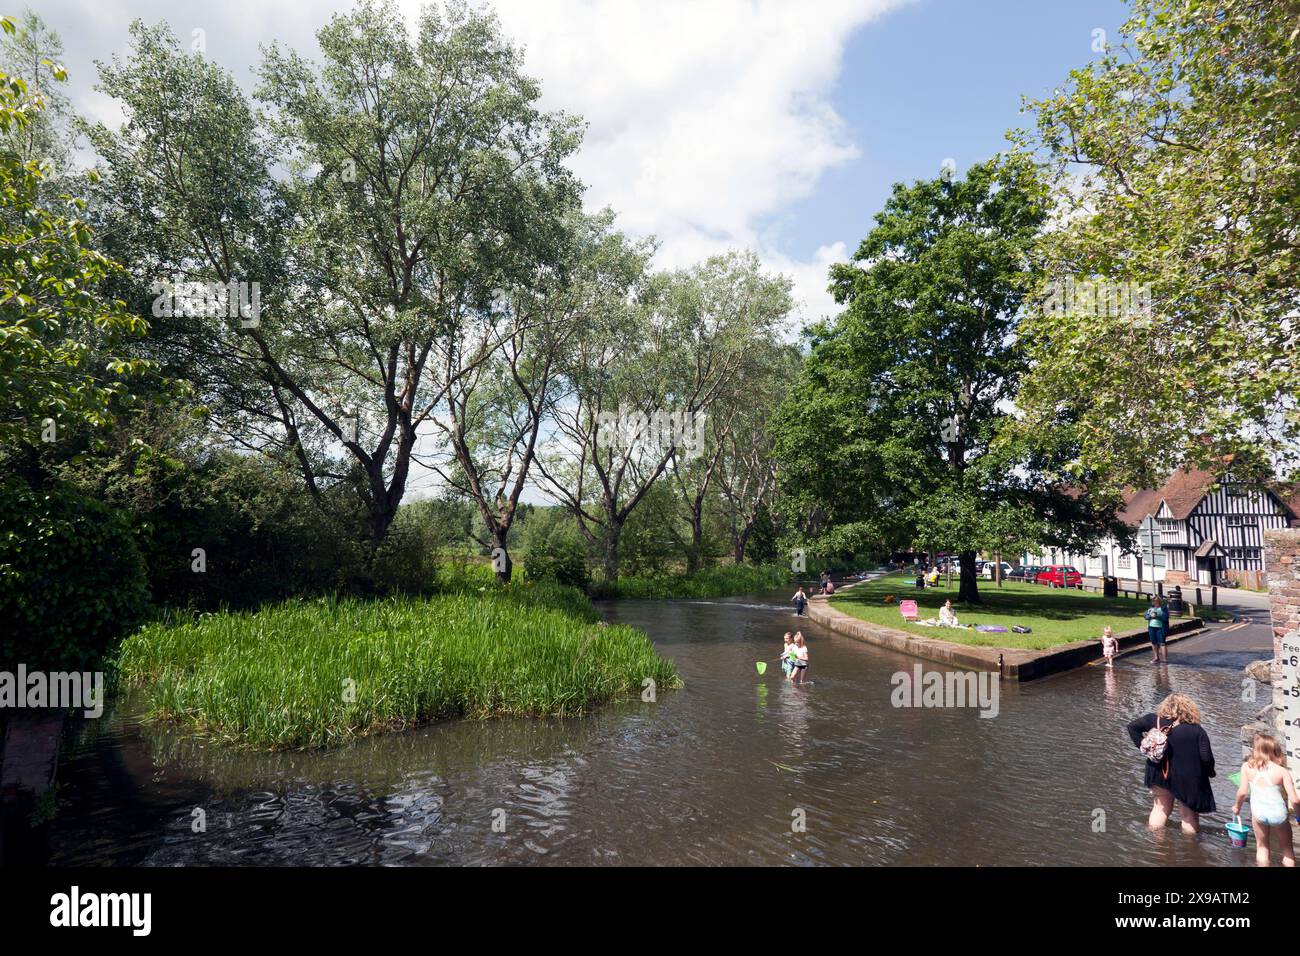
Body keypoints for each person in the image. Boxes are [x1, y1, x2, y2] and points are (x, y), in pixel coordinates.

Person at [1126, 693, 1216, 833]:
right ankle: (1190, 850)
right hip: (1186, 778)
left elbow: (1132, 727)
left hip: (1158, 773)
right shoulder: (1197, 730)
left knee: (1160, 809)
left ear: (1165, 707)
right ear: (1189, 710)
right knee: (1188, 816)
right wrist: (1210, 772)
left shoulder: (1152, 720)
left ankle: (1157, 849)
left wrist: (1143, 747)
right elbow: (1206, 758)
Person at [1231, 734, 1297, 867]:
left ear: (1256, 750)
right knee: (1287, 850)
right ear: (1275, 751)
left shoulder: (1247, 767)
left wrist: (1236, 807)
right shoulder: (1282, 771)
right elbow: (1294, 799)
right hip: (1279, 814)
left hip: (1258, 813)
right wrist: (1299, 817)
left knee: (1262, 847)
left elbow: (1243, 792)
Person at [1145, 595, 1170, 663]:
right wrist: (1150, 616)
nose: (1155, 602)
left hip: (1160, 628)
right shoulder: (1150, 608)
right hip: (1151, 627)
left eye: (1156, 601)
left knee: (1162, 643)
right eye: (1153, 601)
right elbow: (1146, 616)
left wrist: (1157, 616)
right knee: (1154, 643)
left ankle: (1164, 659)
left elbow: (1165, 617)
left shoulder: (1163, 608)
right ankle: (1156, 658)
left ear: (1159, 601)